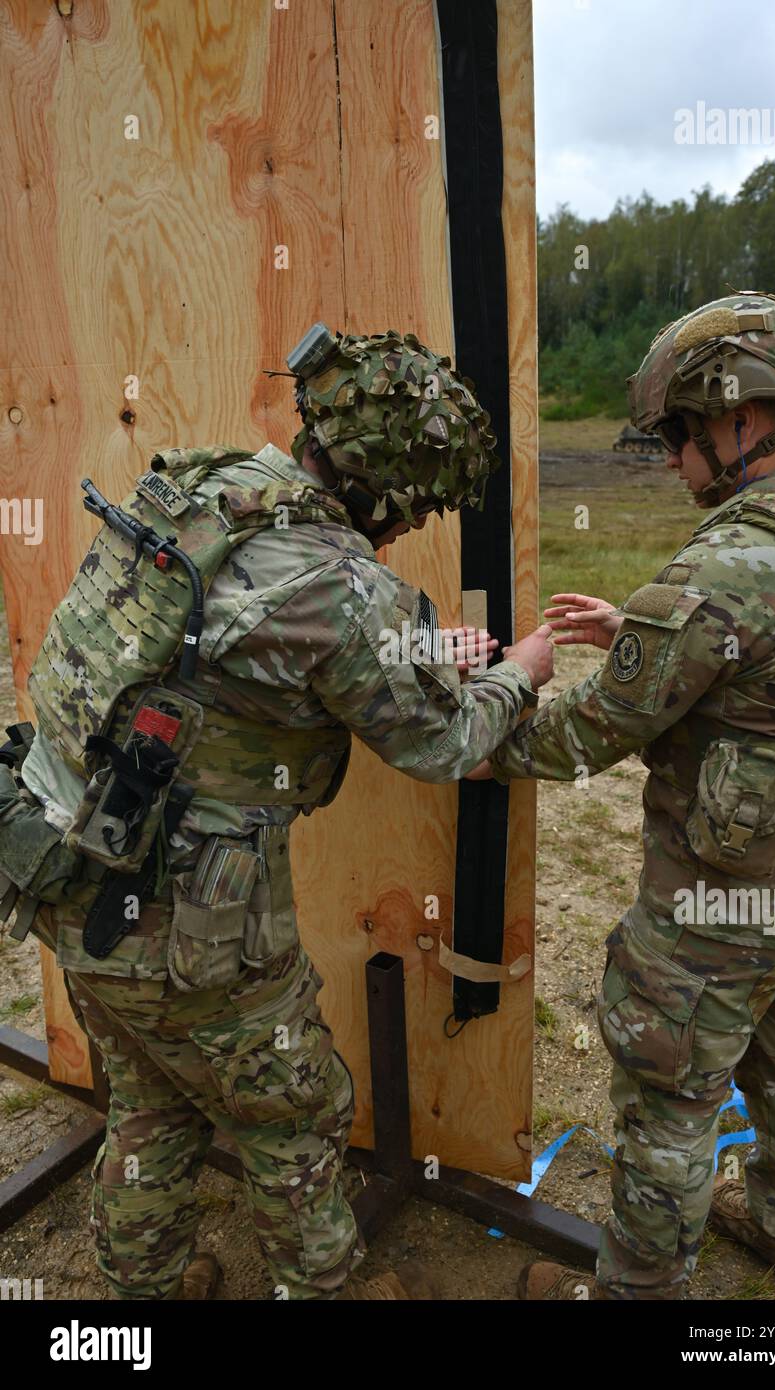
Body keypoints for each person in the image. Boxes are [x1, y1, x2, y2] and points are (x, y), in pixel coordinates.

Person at [0, 326, 553, 1300]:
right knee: (292, 1110)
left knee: (149, 1095)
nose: (405, 525)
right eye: (415, 504)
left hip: (59, 858)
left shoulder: (206, 487)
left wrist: (420, 652)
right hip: (190, 926)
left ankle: (146, 1295)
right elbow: (445, 743)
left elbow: (229, 661)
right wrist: (516, 673)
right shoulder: (343, 584)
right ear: (390, 487)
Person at [470, 292, 775, 1300]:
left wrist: (497, 707)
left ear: (737, 421)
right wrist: (644, 634)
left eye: (677, 438)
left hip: (715, 912)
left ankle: (634, 1293)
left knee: (669, 1103)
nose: (669, 462)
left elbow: (584, 735)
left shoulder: (724, 569)